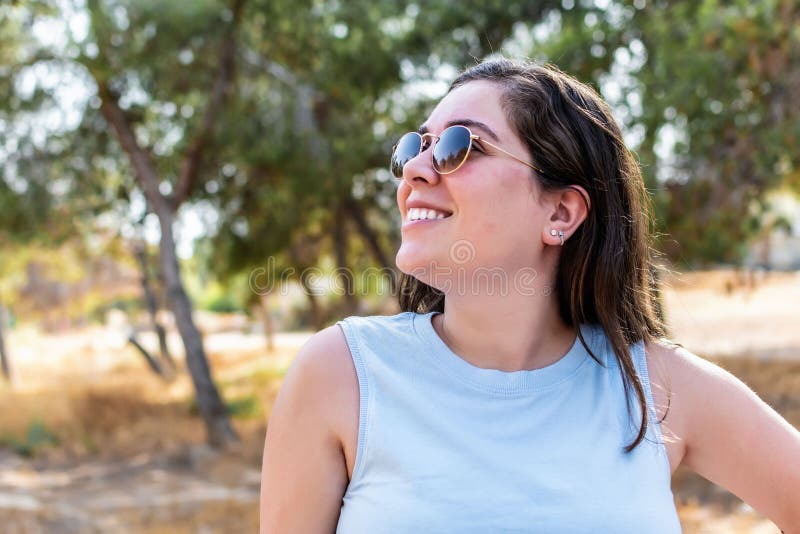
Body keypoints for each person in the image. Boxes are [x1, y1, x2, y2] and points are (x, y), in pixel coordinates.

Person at [259, 58, 800, 532]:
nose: (416, 170)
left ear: (560, 212)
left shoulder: (656, 385)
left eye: (459, 146)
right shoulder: (341, 374)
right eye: (415, 146)